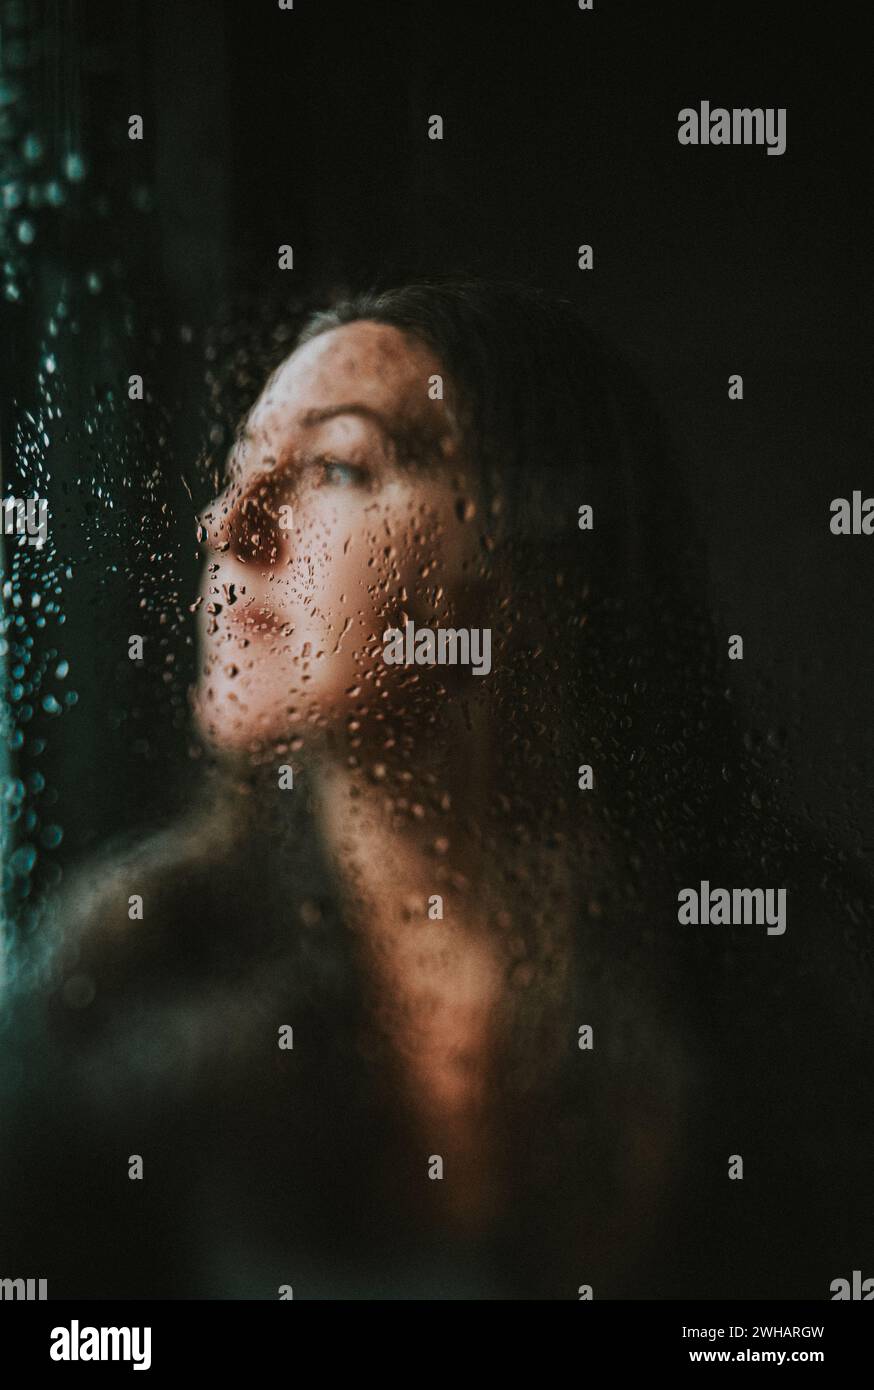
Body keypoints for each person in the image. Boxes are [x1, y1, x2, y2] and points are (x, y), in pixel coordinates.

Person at [1, 278, 871, 1299]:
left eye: (334, 463)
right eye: (237, 472)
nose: (230, 527)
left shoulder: (799, 981)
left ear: (535, 552)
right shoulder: (131, 972)